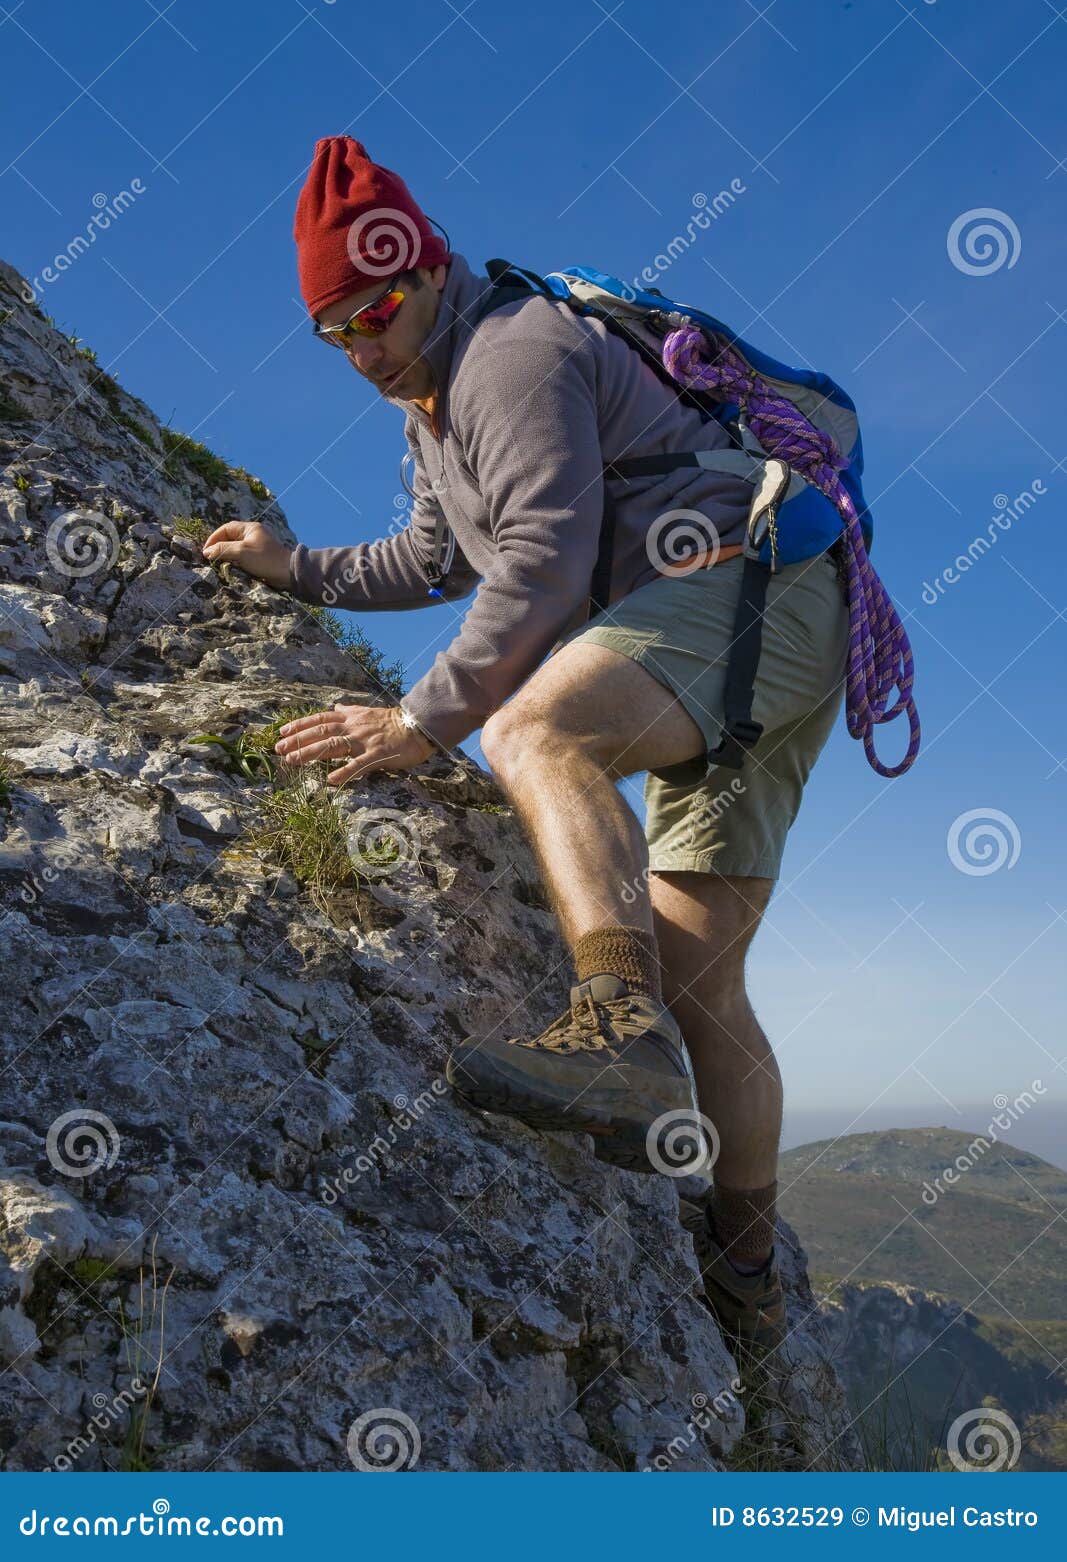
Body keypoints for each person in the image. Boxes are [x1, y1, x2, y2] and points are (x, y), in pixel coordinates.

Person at [204, 137, 850, 1351]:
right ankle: (745, 1266)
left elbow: (544, 570)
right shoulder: (432, 406)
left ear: (430, 271)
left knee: (531, 727)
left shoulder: (509, 355)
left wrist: (415, 723)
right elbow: (437, 558)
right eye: (335, 331)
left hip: (743, 591)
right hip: (773, 608)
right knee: (704, 979)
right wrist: (289, 566)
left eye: (378, 311)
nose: (363, 348)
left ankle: (612, 1026)